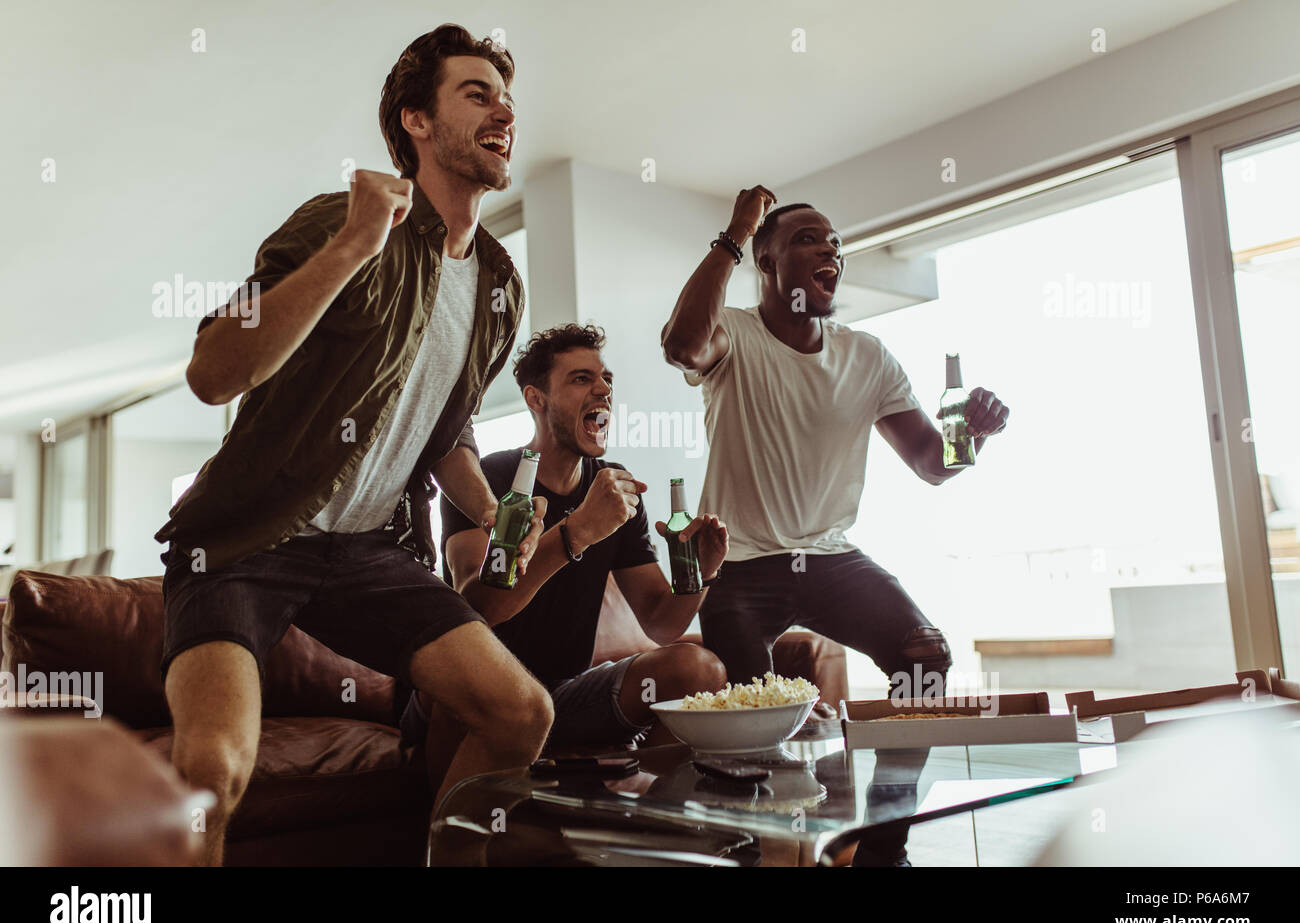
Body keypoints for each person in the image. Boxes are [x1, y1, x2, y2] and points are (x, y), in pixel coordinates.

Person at [153, 25, 553, 865]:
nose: (503, 110)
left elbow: (445, 435)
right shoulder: (343, 220)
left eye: (506, 98)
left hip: (369, 548)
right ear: (416, 120)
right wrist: (351, 246)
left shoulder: (501, 286)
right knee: (207, 771)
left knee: (521, 712)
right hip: (242, 540)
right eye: (475, 94)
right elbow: (213, 371)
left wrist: (497, 509)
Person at [661, 186, 1012, 707]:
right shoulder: (732, 334)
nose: (830, 252)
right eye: (808, 241)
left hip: (829, 557)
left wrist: (973, 435)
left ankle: (894, 790)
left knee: (924, 655)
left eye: (835, 244)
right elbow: (681, 346)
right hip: (740, 566)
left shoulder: (867, 355)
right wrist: (735, 233)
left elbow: (933, 464)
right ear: (766, 259)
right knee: (756, 709)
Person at [402, 324, 729, 769]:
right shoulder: (490, 481)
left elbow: (660, 623)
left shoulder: (615, 486)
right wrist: (576, 532)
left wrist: (702, 573)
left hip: (564, 694)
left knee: (699, 670)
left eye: (606, 379)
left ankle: (647, 822)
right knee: (465, 691)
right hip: (479, 689)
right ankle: (454, 830)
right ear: (536, 399)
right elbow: (477, 604)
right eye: (581, 379)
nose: (603, 390)